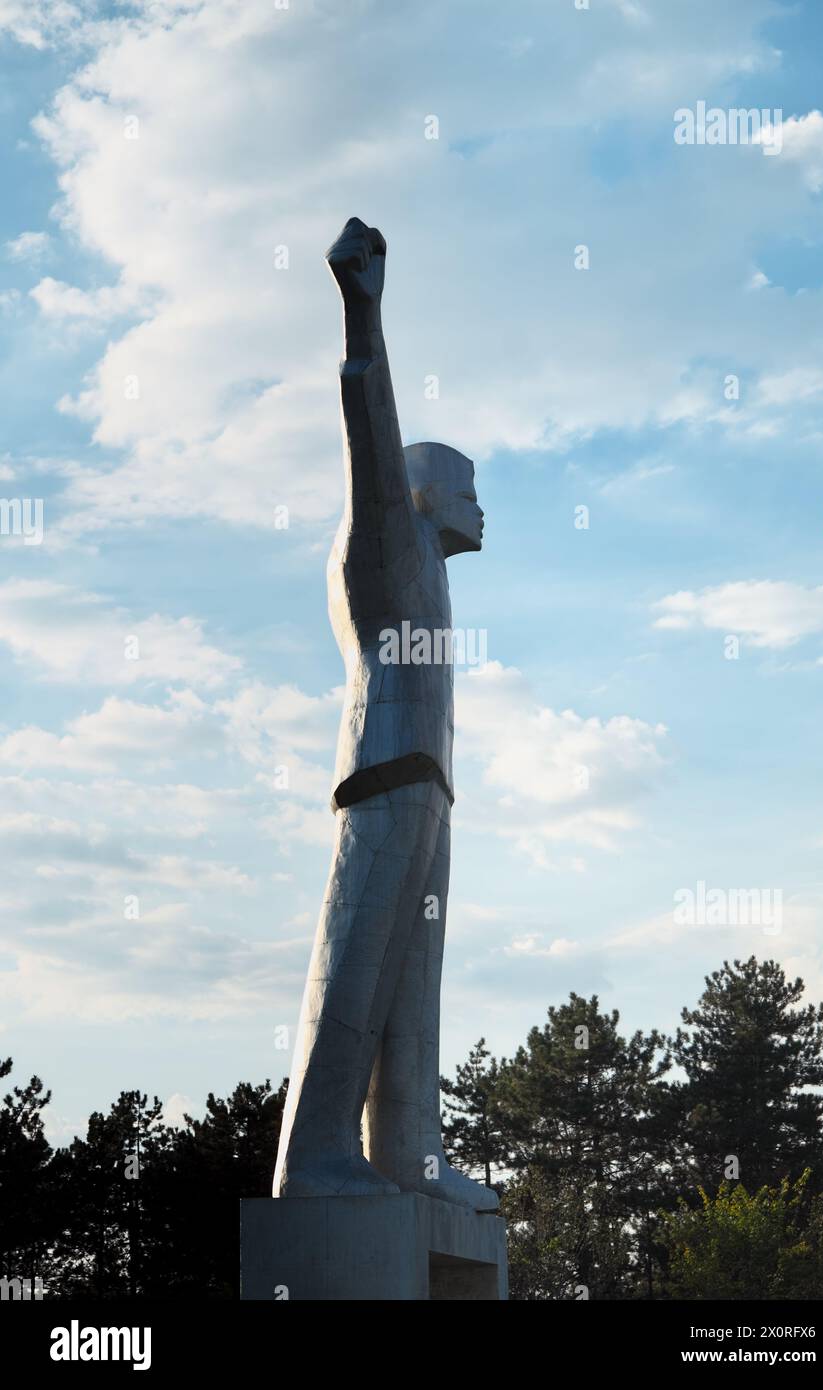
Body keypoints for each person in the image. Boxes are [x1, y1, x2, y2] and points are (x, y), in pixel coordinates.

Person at [273, 219, 496, 1211]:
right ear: (422, 490)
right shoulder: (384, 542)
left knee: (412, 997)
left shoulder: (430, 576)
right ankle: (313, 1155)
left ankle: (408, 1150)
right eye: (468, 485)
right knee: (353, 978)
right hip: (381, 782)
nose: (480, 506)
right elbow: (369, 431)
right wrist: (362, 312)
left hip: (428, 795)